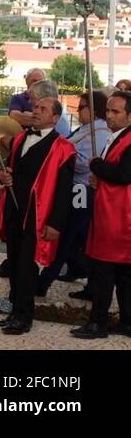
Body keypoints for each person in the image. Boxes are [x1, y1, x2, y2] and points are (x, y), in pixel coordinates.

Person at [0, 96, 75, 336]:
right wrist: (4, 175)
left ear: (56, 118)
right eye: (35, 107)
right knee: (15, 262)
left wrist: (55, 223)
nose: (35, 111)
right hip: (14, 211)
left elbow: (63, 191)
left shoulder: (64, 149)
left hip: (38, 215)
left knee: (28, 267)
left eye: (43, 109)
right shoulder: (19, 139)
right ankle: (14, 311)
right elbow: (8, 167)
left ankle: (24, 317)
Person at [71, 91, 131, 339]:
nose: (109, 115)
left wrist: (96, 165)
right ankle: (127, 321)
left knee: (105, 272)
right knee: (124, 275)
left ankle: (99, 322)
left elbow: (123, 175)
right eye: (108, 110)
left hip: (118, 217)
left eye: (115, 111)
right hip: (113, 213)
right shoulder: (117, 137)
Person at [39, 90, 108, 297]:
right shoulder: (87, 129)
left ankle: (44, 282)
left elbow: (82, 163)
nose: (78, 111)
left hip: (82, 189)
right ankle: (81, 271)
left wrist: (61, 157)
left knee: (67, 235)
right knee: (77, 237)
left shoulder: (99, 133)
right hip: (76, 188)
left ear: (94, 109)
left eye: (82, 107)